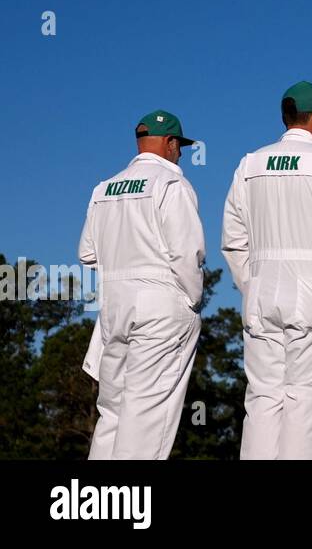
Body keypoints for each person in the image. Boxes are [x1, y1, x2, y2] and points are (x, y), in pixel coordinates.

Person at [222, 81, 312, 459]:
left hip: (262, 303)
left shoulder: (249, 165)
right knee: (306, 407)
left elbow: (234, 241)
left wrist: (252, 285)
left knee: (263, 403)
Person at [80, 110, 205, 459]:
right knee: (147, 415)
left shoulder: (104, 187)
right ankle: (129, 505)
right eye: (179, 145)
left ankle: (97, 504)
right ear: (169, 142)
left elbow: (87, 253)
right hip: (161, 303)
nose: (181, 153)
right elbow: (187, 254)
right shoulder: (171, 184)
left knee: (113, 411)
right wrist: (192, 301)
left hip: (114, 309)